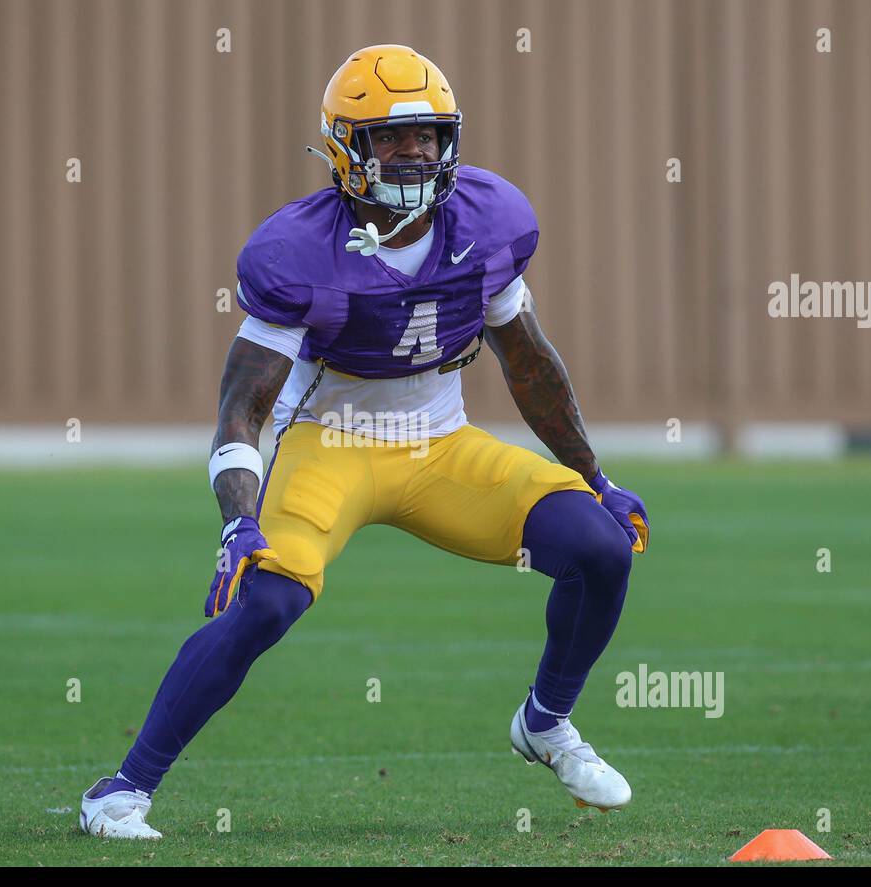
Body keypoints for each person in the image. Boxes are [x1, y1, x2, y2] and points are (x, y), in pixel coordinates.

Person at [81, 44, 650, 840]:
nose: (413, 151)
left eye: (427, 135)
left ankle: (546, 723)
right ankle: (121, 790)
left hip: (443, 445)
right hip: (331, 445)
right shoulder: (298, 251)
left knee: (602, 546)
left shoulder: (489, 223)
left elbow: (530, 366)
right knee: (270, 599)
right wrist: (235, 521)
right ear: (347, 146)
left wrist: (596, 475)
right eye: (390, 136)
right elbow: (242, 410)